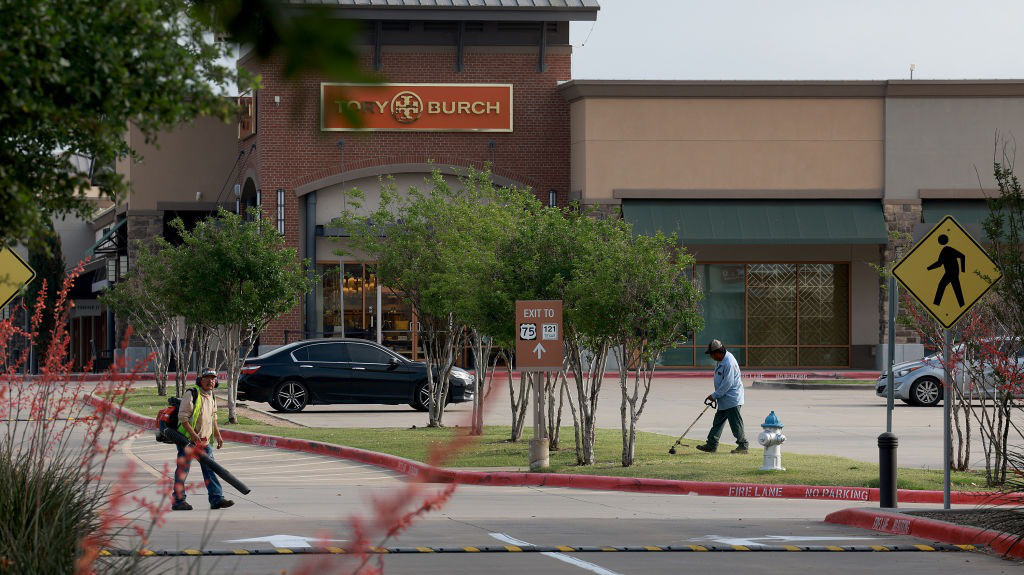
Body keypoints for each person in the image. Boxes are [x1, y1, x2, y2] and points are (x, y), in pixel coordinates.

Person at [171, 368, 234, 510]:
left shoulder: (212, 396)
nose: (210, 381)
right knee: (182, 471)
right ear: (200, 380)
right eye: (207, 378)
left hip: (204, 442)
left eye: (213, 378)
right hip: (187, 441)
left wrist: (218, 435)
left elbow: (213, 417)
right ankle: (178, 501)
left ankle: (216, 499)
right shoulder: (192, 394)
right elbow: (183, 418)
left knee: (210, 470)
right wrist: (193, 436)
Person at [696, 340, 749, 454]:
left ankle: (743, 445)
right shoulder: (721, 360)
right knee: (718, 422)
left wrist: (714, 395)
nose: (711, 357)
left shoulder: (729, 362)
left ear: (718, 352)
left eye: (712, 354)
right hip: (724, 398)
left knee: (735, 424)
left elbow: (727, 383)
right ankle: (711, 445)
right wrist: (717, 395)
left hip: (732, 398)